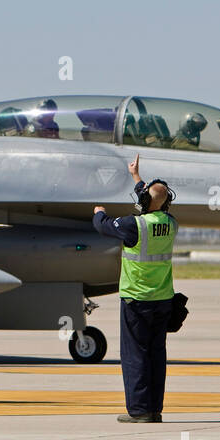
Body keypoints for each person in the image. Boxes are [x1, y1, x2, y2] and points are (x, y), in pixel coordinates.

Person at [93, 155, 178, 423]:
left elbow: (103, 227)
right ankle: (154, 410)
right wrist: (136, 177)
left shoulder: (135, 225)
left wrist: (99, 213)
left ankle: (139, 411)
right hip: (163, 299)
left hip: (137, 300)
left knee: (135, 356)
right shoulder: (171, 223)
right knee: (156, 355)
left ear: (143, 202)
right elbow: (152, 199)